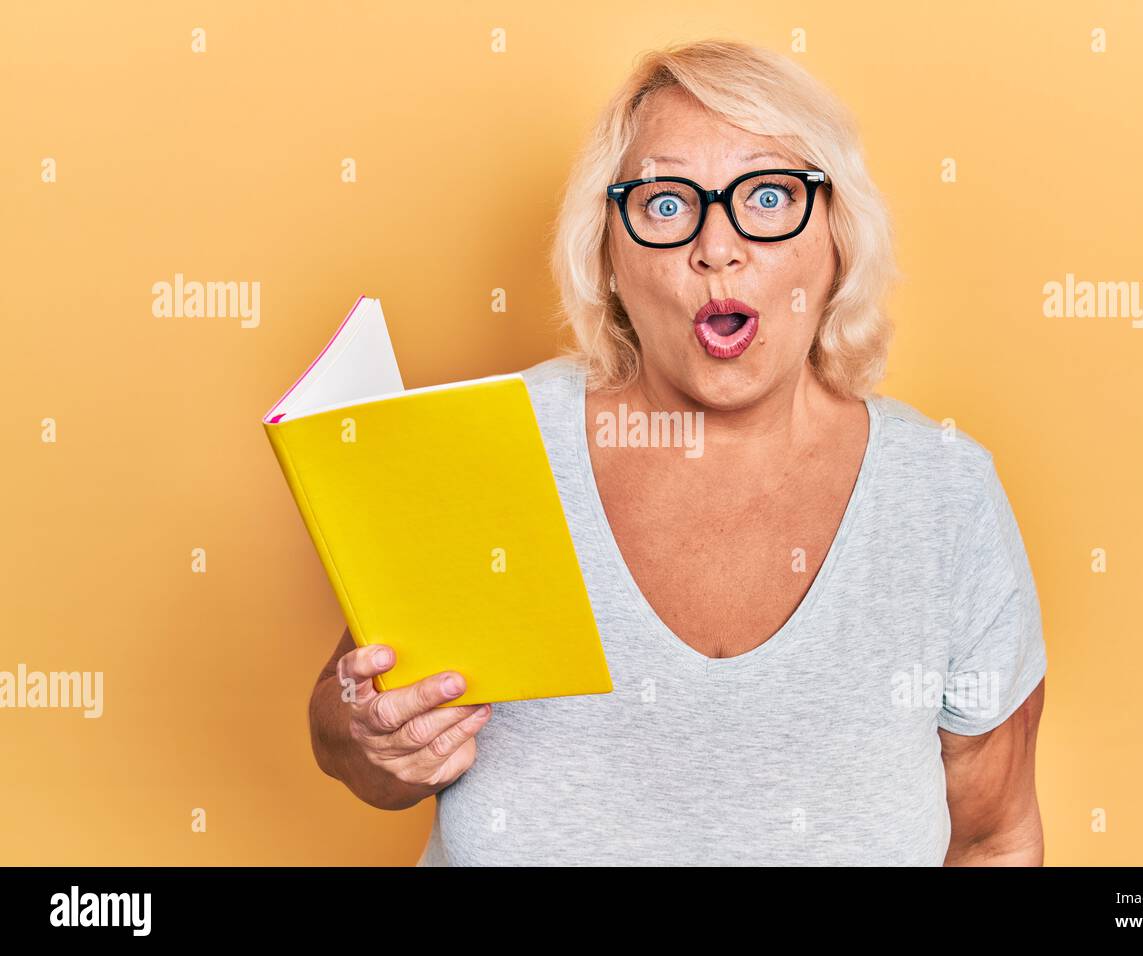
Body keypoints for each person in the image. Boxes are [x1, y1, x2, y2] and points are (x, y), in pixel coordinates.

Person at [308, 38, 1047, 866]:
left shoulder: (943, 493)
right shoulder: (495, 446)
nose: (717, 248)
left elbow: (994, 837)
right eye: (665, 204)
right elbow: (352, 732)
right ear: (609, 253)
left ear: (837, 238)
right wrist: (371, 740)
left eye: (768, 196)